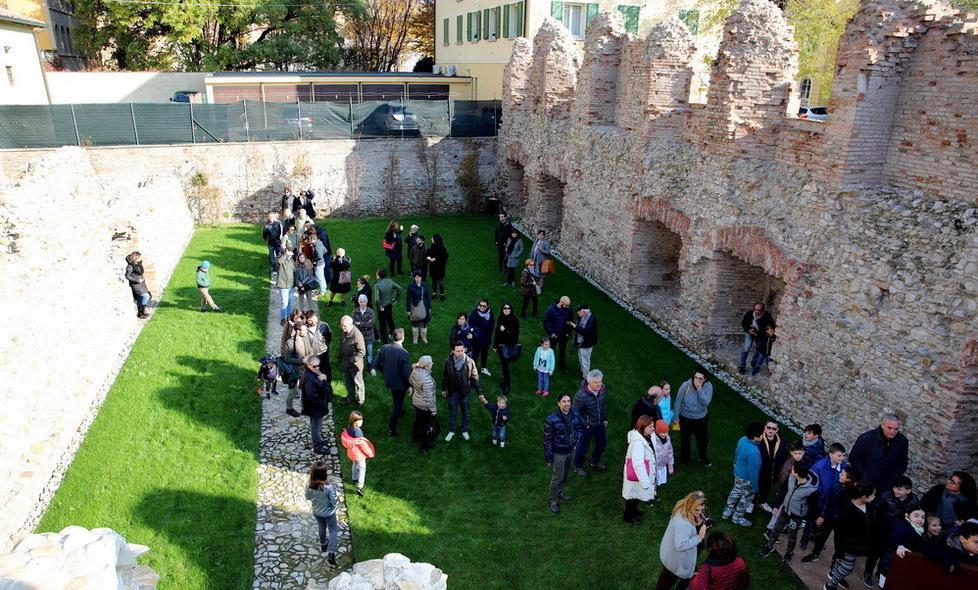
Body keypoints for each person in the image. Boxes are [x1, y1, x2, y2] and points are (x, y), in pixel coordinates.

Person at [866, 476, 922, 585]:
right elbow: (874, 510)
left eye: (900, 489)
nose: (896, 491)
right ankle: (868, 572)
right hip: (881, 530)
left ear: (908, 491)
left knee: (888, 556)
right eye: (895, 488)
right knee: (875, 553)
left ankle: (880, 572)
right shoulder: (885, 496)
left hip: (897, 534)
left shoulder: (914, 501)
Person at [759, 462, 818, 563]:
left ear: (797, 473)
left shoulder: (810, 491)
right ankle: (769, 546)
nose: (791, 470)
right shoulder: (791, 478)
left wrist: (806, 519)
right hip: (785, 511)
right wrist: (777, 506)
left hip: (796, 517)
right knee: (776, 528)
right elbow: (783, 491)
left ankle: (789, 552)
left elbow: (813, 507)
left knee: (792, 535)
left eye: (793, 469)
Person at [824, 480, 877, 590]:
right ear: (863, 496)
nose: (874, 497)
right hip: (849, 545)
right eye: (872, 495)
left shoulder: (868, 506)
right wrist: (839, 551)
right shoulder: (848, 510)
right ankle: (830, 586)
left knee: (840, 564)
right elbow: (839, 532)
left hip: (858, 544)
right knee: (847, 568)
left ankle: (832, 574)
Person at [801, 442, 848, 562]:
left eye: (843, 455)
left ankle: (816, 537)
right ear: (830, 454)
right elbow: (810, 483)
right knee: (811, 519)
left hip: (831, 500)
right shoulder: (819, 466)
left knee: (823, 522)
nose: (842, 459)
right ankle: (805, 538)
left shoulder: (843, 466)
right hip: (818, 499)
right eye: (839, 456)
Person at [656, 491, 709, 590]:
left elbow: (697, 495)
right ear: (690, 506)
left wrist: (697, 521)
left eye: (702, 510)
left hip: (671, 556)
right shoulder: (683, 525)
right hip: (676, 561)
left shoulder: (682, 507)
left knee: (669, 580)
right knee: (669, 581)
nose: (700, 513)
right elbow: (680, 546)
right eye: (696, 510)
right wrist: (699, 537)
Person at [544, 393, 584, 514]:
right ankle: (552, 501)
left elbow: (580, 428)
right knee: (557, 477)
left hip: (571, 450)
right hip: (559, 453)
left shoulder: (575, 414)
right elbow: (547, 440)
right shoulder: (551, 419)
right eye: (564, 401)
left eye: (568, 401)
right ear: (558, 403)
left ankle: (560, 492)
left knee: (566, 474)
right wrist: (549, 457)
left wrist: (576, 442)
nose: (567, 404)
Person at [848, 414, 910, 493]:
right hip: (865, 485)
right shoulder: (867, 438)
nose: (893, 431)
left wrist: (893, 479)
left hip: (886, 488)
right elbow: (854, 457)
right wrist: (865, 476)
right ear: (882, 425)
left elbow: (903, 463)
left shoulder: (902, 441)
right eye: (889, 428)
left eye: (896, 429)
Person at [723, 421, 764, 527]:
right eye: (762, 434)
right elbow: (753, 473)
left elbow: (737, 453)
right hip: (747, 479)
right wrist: (755, 488)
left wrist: (735, 463)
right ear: (756, 437)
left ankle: (726, 512)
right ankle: (737, 518)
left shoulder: (742, 439)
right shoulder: (754, 453)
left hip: (738, 473)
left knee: (735, 491)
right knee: (745, 498)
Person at [672, 368, 714, 467]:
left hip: (701, 418)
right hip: (686, 418)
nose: (697, 380)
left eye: (700, 378)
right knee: (685, 440)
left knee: (703, 440)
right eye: (695, 377)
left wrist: (699, 389)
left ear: (705, 379)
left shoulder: (708, 387)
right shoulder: (685, 385)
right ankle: (685, 459)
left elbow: (706, 402)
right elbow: (678, 401)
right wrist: (675, 417)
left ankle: (702, 457)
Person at [374, 328, 411, 436]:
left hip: (389, 380)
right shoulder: (404, 353)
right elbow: (405, 373)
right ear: (403, 338)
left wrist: (384, 372)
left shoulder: (384, 347)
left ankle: (400, 411)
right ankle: (392, 428)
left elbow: (376, 364)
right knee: (397, 404)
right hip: (400, 383)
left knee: (397, 399)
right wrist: (409, 385)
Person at [572, 369, 608, 477]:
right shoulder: (581, 395)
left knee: (602, 443)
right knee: (582, 447)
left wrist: (605, 418)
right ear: (589, 382)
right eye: (596, 382)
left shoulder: (602, 389)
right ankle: (577, 466)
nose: (599, 384)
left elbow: (603, 404)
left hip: (599, 422)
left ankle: (595, 461)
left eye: (600, 381)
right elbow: (575, 412)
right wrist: (585, 424)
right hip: (587, 425)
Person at [441, 342, 480, 442]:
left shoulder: (470, 362)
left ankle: (464, 430)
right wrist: (443, 388)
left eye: (462, 350)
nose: (460, 353)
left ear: (464, 350)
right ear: (453, 351)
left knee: (465, 412)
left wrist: (480, 391)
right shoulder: (448, 361)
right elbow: (445, 376)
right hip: (453, 391)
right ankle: (452, 430)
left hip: (465, 392)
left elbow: (475, 377)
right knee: (452, 412)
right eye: (458, 351)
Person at [622, 415, 657, 525]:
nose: (653, 429)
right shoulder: (638, 443)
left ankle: (634, 512)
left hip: (639, 476)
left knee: (636, 495)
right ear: (643, 427)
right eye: (650, 427)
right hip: (637, 475)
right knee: (632, 496)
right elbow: (638, 464)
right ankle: (628, 516)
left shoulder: (647, 436)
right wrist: (646, 482)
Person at [305, 461, 340, 566]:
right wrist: (336, 506)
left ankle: (324, 544)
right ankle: (331, 554)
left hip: (317, 512)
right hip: (329, 513)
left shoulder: (309, 485)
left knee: (321, 526)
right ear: (324, 474)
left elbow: (308, 497)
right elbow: (334, 501)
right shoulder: (329, 487)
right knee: (333, 530)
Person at [300, 355, 332, 455]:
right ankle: (317, 447)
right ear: (308, 365)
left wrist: (323, 378)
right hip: (315, 407)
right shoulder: (309, 378)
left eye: (318, 366)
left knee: (316, 426)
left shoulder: (313, 373)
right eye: (314, 366)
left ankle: (318, 441)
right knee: (316, 427)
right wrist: (322, 402)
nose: (317, 368)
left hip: (316, 406)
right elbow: (311, 396)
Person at [756, 421, 790, 513]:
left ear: (777, 430)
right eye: (769, 427)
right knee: (756, 485)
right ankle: (751, 502)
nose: (771, 430)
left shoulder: (781, 441)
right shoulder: (758, 438)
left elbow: (784, 455)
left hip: (773, 470)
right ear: (765, 427)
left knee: (767, 487)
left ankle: (762, 501)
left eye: (774, 428)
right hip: (759, 468)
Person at [339, 411, 375, 497]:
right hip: (359, 455)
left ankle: (354, 478)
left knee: (354, 464)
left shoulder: (349, 427)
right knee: (362, 469)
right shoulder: (358, 432)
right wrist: (370, 454)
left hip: (352, 453)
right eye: (360, 420)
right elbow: (363, 446)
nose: (362, 422)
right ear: (355, 421)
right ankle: (360, 486)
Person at [409, 355, 438, 454]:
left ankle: (415, 437)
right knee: (427, 426)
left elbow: (410, 381)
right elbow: (429, 398)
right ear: (426, 366)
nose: (432, 364)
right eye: (431, 363)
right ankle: (424, 447)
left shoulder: (415, 371)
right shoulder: (427, 380)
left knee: (418, 421)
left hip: (416, 402)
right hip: (425, 406)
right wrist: (433, 410)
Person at [738, 302, 775, 374]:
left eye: (759, 310)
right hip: (749, 332)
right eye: (756, 309)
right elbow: (744, 323)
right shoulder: (750, 313)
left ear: (763, 310)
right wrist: (749, 330)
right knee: (746, 347)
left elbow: (770, 327)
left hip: (760, 334)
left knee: (759, 348)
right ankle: (742, 366)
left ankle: (754, 362)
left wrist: (761, 332)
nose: (757, 312)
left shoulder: (766, 316)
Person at [338, 315, 366, 407]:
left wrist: (351, 360)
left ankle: (360, 401)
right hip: (346, 362)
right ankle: (351, 397)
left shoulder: (357, 335)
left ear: (351, 324)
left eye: (344, 326)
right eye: (341, 326)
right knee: (348, 382)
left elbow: (362, 352)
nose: (342, 328)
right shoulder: (345, 332)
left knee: (358, 383)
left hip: (355, 365)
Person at [493, 302, 520, 394]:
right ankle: (505, 382)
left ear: (511, 309)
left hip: (509, 346)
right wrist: (495, 346)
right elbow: (496, 332)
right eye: (505, 308)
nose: (506, 310)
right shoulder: (500, 318)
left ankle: (507, 385)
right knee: (504, 365)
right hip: (500, 346)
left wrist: (504, 331)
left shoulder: (514, 320)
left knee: (505, 366)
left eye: (508, 308)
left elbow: (514, 338)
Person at [543, 296, 572, 370]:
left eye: (568, 305)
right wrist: (551, 333)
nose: (567, 307)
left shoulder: (568, 310)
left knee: (562, 351)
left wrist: (568, 332)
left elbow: (571, 321)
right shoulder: (551, 309)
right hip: (554, 335)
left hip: (564, 335)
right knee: (550, 350)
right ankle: (546, 365)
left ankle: (561, 365)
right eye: (566, 305)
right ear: (561, 303)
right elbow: (545, 322)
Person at [568, 304, 597, 378]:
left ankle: (586, 376)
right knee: (581, 358)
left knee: (585, 360)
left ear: (583, 311)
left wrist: (575, 326)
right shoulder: (583, 317)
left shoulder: (591, 319)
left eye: (578, 312)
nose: (577, 313)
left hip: (587, 343)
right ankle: (582, 371)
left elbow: (586, 332)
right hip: (581, 342)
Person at [373, 268, 401, 344]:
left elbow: (376, 300)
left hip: (382, 307)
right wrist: (396, 299)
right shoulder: (390, 281)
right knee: (390, 319)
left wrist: (380, 306)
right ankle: (394, 335)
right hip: (389, 305)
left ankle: (385, 343)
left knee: (382, 325)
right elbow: (399, 288)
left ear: (378, 276)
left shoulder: (377, 285)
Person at [467, 299, 495, 375]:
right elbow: (470, 326)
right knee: (475, 355)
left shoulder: (490, 313)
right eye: (480, 305)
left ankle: (483, 368)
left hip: (486, 339)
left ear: (487, 306)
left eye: (484, 306)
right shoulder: (474, 314)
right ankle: (473, 371)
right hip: (477, 339)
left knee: (484, 354)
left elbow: (492, 324)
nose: (482, 307)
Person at [305, 310, 332, 382]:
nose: (313, 321)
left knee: (326, 371)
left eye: (314, 319)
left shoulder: (324, 326)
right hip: (312, 355)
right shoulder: (305, 329)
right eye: (310, 320)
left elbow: (328, 338)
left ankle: (327, 385)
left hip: (323, 353)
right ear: (307, 320)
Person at [352, 295, 377, 372]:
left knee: (369, 355)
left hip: (369, 337)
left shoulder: (371, 311)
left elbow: (371, 324)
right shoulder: (355, 312)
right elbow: (353, 324)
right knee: (359, 354)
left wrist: (359, 323)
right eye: (361, 301)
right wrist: (365, 323)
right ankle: (359, 369)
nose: (363, 303)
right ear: (359, 302)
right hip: (359, 337)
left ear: (367, 302)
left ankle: (371, 368)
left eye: (364, 301)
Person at [406, 270, 432, 344]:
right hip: (415, 307)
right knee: (415, 323)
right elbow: (408, 299)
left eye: (419, 277)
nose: (418, 279)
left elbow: (427, 297)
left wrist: (429, 307)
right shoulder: (411, 287)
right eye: (416, 277)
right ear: (414, 278)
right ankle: (415, 337)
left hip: (425, 306)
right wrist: (408, 310)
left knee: (424, 323)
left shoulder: (424, 285)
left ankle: (423, 337)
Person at [125, 251, 151, 318]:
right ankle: (141, 312)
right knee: (145, 296)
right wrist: (137, 280)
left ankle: (141, 313)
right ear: (135, 258)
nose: (140, 259)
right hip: (136, 284)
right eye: (139, 257)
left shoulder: (137, 265)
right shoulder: (130, 267)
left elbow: (140, 272)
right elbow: (127, 276)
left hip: (142, 284)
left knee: (146, 296)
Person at [275, 244, 296, 323]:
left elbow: (295, 271)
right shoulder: (281, 259)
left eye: (291, 252)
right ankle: (283, 319)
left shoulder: (292, 261)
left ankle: (289, 317)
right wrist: (286, 255)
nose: (290, 254)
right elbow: (279, 262)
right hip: (283, 285)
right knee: (285, 303)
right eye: (288, 252)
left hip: (291, 285)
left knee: (290, 302)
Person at [652, 419, 675, 487]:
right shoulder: (653, 441)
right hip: (655, 465)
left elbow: (670, 452)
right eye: (663, 432)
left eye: (666, 432)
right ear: (657, 432)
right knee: (654, 478)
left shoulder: (668, 440)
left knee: (661, 477)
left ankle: (660, 483)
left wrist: (670, 465)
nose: (665, 434)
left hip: (663, 464)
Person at [426, 234, 449, 301]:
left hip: (439, 268)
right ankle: (434, 293)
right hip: (433, 267)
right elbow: (429, 252)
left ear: (435, 240)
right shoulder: (432, 246)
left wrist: (435, 259)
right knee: (434, 281)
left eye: (432, 238)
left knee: (440, 282)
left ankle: (442, 294)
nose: (431, 239)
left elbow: (444, 257)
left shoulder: (442, 248)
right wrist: (428, 257)